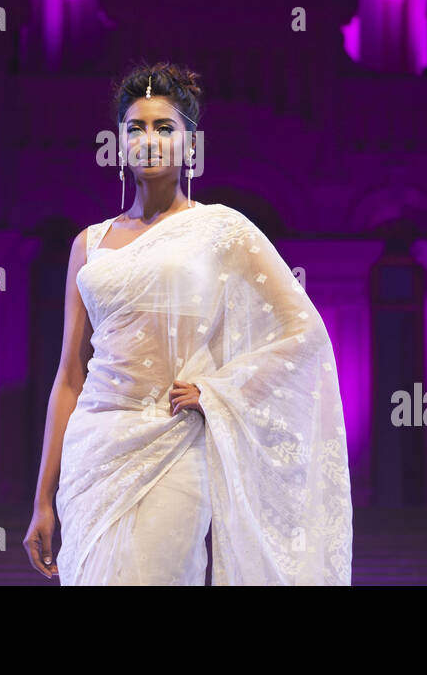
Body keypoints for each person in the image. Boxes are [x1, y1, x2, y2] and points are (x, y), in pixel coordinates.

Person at [24, 61, 352, 585]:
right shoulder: (88, 245)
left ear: (190, 145)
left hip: (172, 446)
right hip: (92, 453)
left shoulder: (221, 230)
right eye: (135, 127)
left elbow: (304, 334)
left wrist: (220, 390)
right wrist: (43, 499)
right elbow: (68, 378)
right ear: (118, 143)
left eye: (164, 127)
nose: (148, 139)